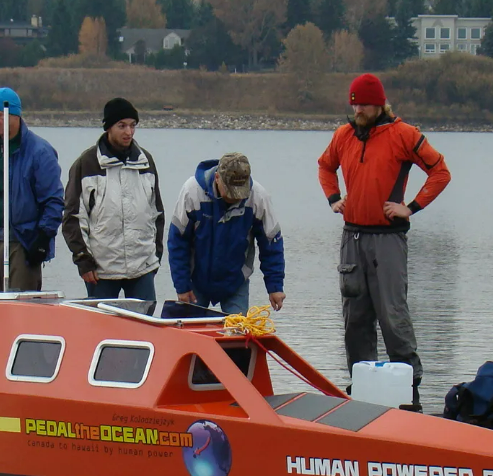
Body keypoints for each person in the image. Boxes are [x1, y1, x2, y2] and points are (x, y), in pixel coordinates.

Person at [318, 73, 451, 411]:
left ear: (379, 104)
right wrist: (334, 197)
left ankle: (409, 390)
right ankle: (362, 389)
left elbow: (440, 172)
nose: (357, 109)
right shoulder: (344, 135)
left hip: (388, 239)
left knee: (393, 315)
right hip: (352, 237)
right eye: (354, 104)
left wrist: (411, 207)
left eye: (363, 104)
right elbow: (325, 166)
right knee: (355, 317)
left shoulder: (405, 135)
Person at [62, 97, 164, 300]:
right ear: (108, 128)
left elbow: (156, 213)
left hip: (142, 268)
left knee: (145, 330)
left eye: (133, 126)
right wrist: (83, 259)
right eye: (122, 126)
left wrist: (156, 255)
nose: (129, 132)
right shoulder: (86, 164)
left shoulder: (146, 162)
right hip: (101, 271)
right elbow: (73, 217)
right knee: (99, 330)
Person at [0, 87, 64, 291]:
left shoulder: (40, 152)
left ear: (14, 115)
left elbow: (53, 201)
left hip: (22, 240)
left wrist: (43, 238)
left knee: (21, 310)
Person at [168, 153, 286, 315]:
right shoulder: (192, 191)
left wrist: (275, 287)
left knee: (238, 333)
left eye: (240, 192)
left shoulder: (258, 196)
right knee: (190, 332)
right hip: (196, 280)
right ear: (217, 177)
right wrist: (182, 285)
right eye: (230, 191)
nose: (235, 197)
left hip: (235, 281)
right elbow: (177, 241)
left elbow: (271, 244)